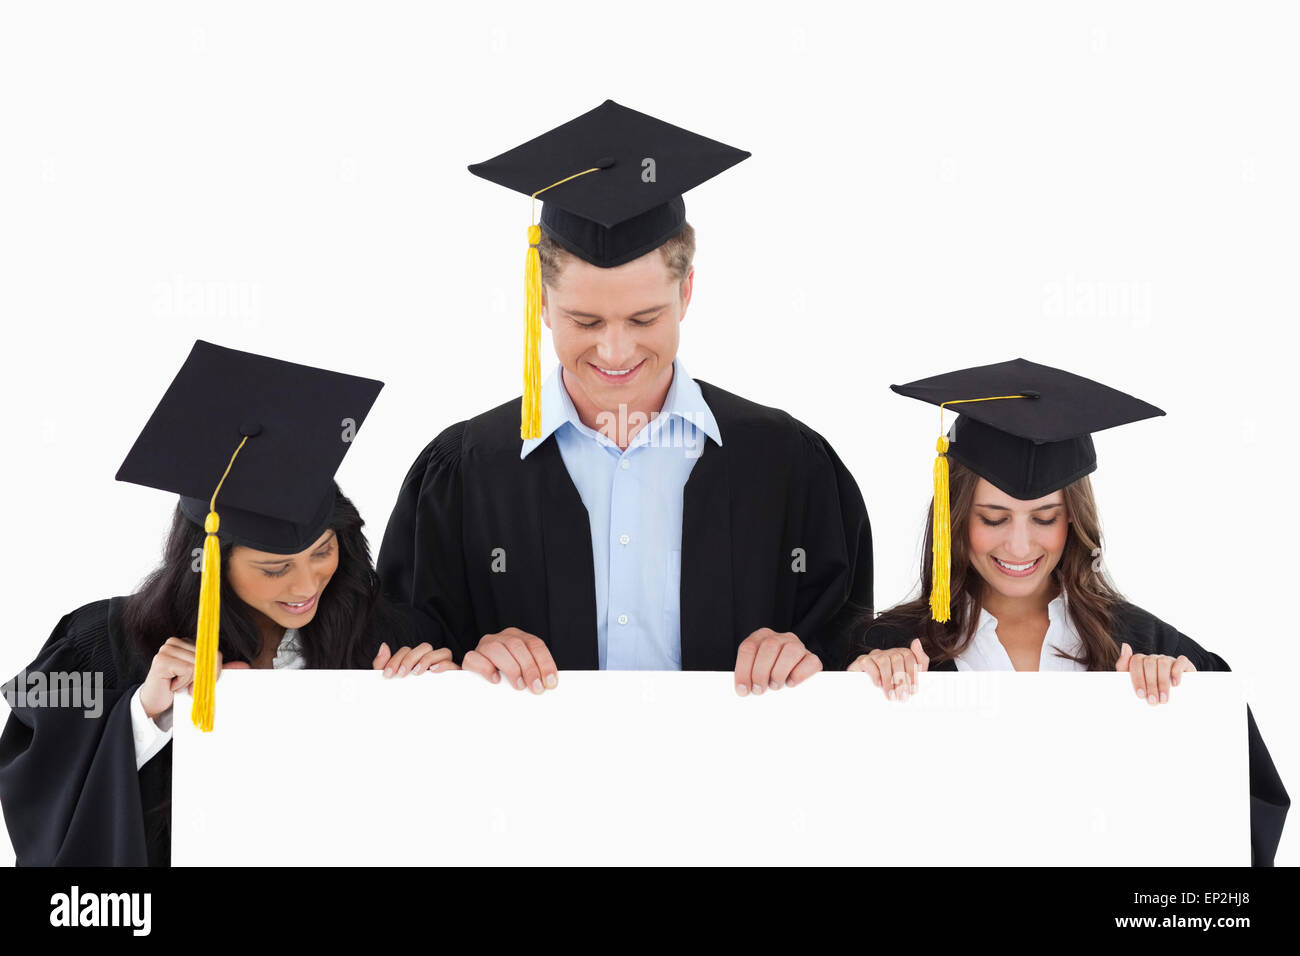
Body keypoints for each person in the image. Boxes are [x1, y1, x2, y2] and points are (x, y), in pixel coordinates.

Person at [378, 100, 872, 695]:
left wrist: (803, 657)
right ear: (541, 298)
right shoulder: (463, 473)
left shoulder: (786, 463)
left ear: (686, 291)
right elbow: (401, 663)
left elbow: (850, 653)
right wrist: (466, 664)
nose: (615, 352)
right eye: (585, 321)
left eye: (644, 317)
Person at [0, 341, 452, 866]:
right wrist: (144, 718)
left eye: (323, 551)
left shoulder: (391, 638)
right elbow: (32, 783)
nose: (307, 583)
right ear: (209, 564)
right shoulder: (102, 640)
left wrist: (439, 706)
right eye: (275, 568)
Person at [846, 357, 1289, 866]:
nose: (1018, 544)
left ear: (1073, 518)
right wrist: (850, 702)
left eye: (1045, 517)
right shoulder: (892, 649)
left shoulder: (1146, 645)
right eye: (993, 518)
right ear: (956, 516)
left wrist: (1183, 719)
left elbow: (1238, 814)